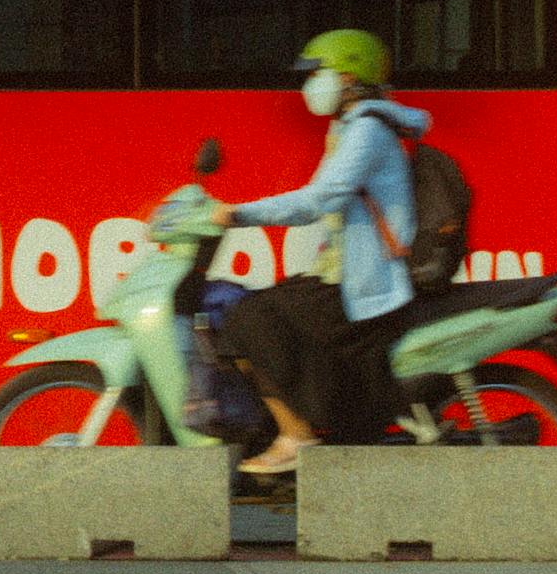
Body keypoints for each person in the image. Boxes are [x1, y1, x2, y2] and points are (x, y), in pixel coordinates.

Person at [198, 26, 470, 479]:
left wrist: (238, 214)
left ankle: (296, 435)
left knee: (246, 320)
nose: (310, 85)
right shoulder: (355, 127)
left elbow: (317, 201)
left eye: (317, 73)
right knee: (266, 310)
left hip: (368, 289)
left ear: (348, 78)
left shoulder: (366, 131)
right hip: (349, 279)